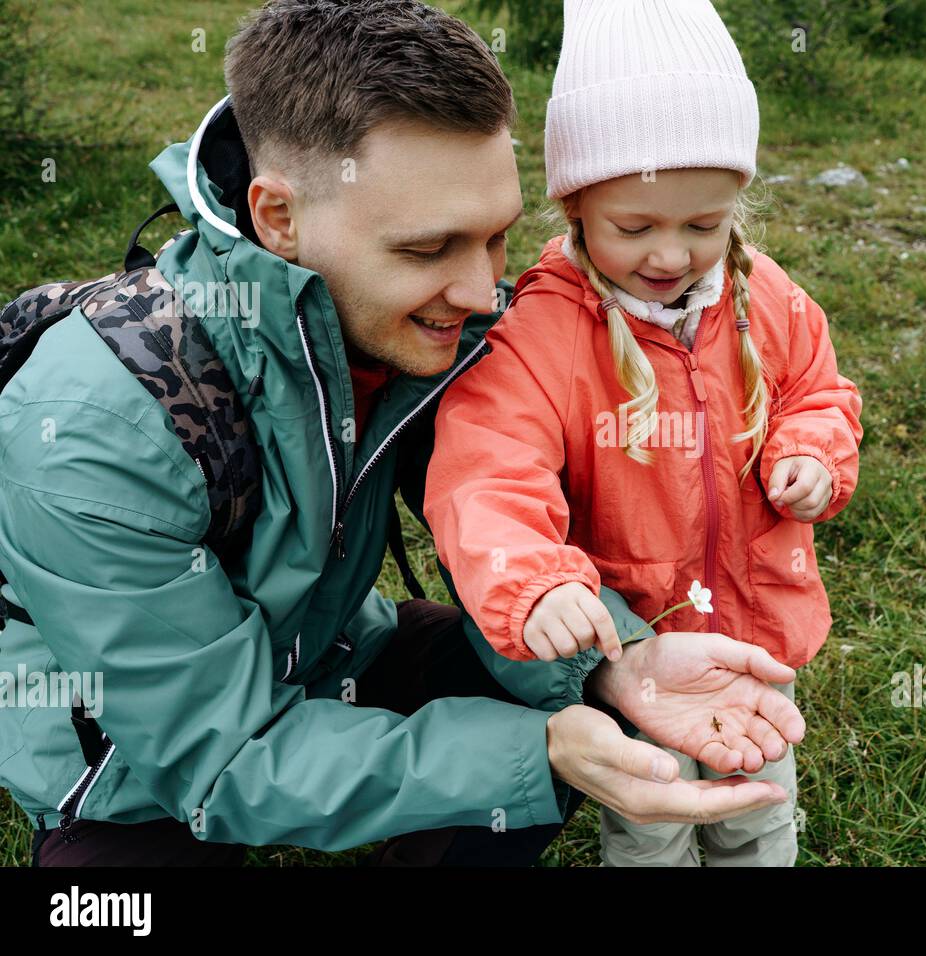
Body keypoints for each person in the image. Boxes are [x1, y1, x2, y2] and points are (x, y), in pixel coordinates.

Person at [0, 0, 804, 867]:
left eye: (497, 239)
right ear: (278, 218)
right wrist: (533, 755)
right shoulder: (96, 427)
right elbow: (218, 759)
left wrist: (617, 667)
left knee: (577, 707)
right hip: (137, 754)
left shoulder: (423, 326)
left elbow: (489, 502)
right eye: (428, 250)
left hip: (330, 650)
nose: (477, 295)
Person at [425, 0, 863, 866]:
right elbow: (486, 470)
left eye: (706, 226)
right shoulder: (543, 330)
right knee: (655, 813)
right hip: (644, 649)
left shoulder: (766, 297)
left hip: (756, 632)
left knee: (757, 798)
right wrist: (535, 583)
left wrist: (808, 450)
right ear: (578, 203)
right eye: (636, 227)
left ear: (737, 201)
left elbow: (819, 390)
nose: (670, 255)